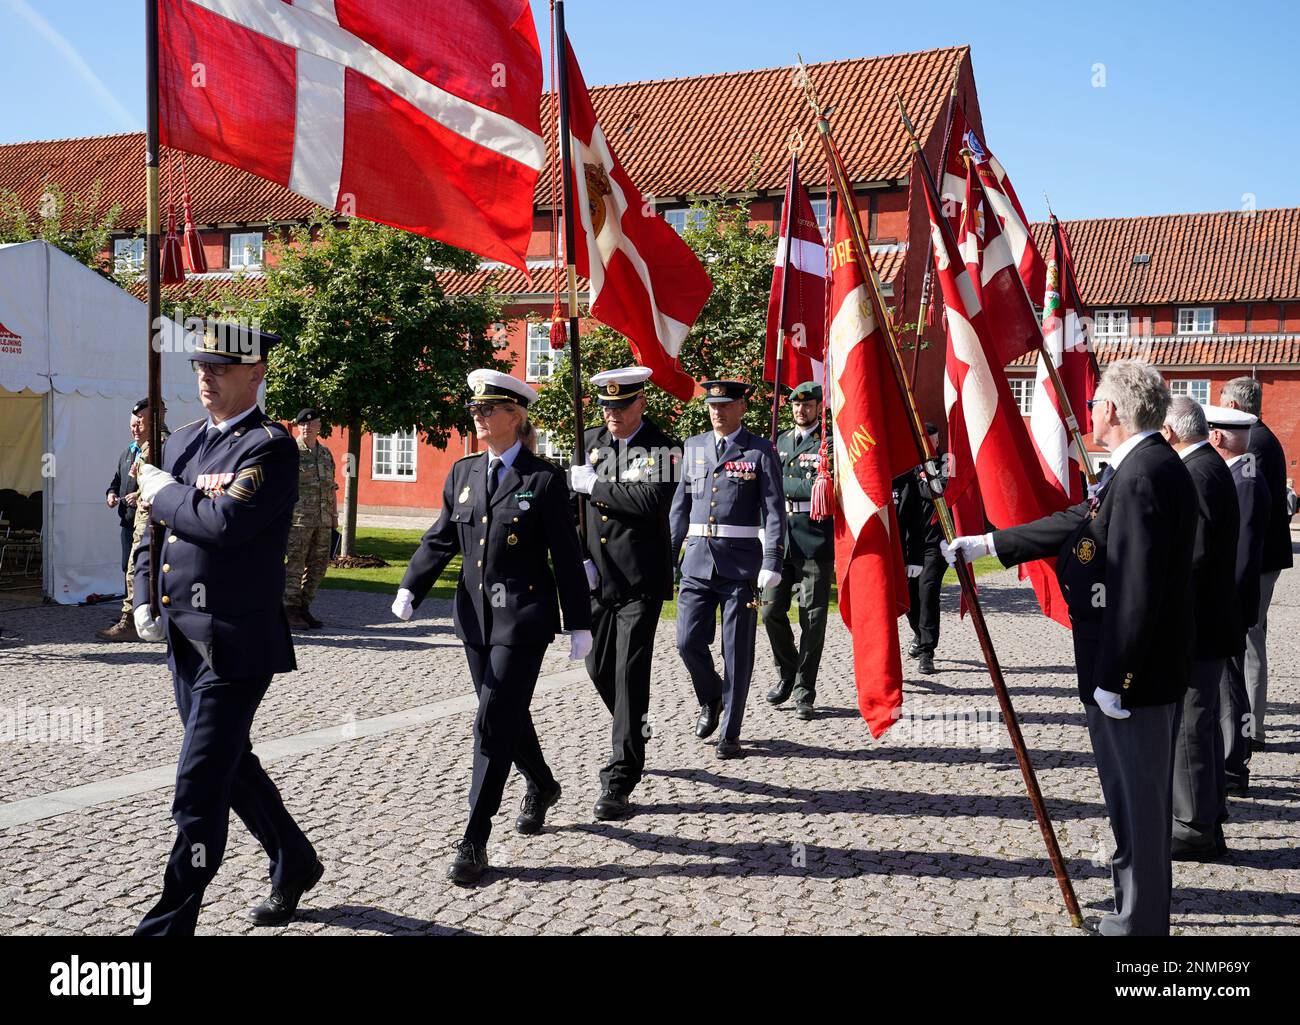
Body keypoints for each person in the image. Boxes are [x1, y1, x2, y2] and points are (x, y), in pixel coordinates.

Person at [943, 361, 1195, 936]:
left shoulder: (1143, 474)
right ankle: (1132, 912)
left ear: (1113, 410)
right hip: (1130, 672)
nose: (1089, 413)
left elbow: (1137, 588)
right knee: (1130, 804)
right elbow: (1081, 522)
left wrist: (1118, 677)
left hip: (1134, 679)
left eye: (1096, 403)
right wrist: (992, 541)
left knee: (1139, 805)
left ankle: (1140, 926)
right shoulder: (1138, 468)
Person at [130, 321, 322, 935]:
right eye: (200, 367)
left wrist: (163, 493)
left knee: (198, 783)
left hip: (236, 642)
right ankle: (294, 859)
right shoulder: (182, 441)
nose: (206, 377)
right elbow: (149, 527)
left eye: (222, 367)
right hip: (184, 635)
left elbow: (224, 524)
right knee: (230, 763)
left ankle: (164, 931)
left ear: (256, 372)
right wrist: (142, 594)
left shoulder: (270, 446)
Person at [392, 369, 591, 885]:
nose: (478, 416)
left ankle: (475, 837)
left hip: (523, 619)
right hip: (475, 618)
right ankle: (543, 783)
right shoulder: (462, 473)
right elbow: (440, 539)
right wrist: (410, 586)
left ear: (515, 416)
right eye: (475, 409)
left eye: (489, 409)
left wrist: (580, 623)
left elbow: (567, 560)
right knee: (501, 709)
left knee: (491, 719)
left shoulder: (543, 481)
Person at [570, 366, 680, 821]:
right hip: (598, 578)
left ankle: (620, 777)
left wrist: (595, 485)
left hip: (640, 581)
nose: (611, 414)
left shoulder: (665, 448)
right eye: (606, 406)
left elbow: (649, 502)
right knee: (598, 667)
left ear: (641, 403)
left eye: (621, 405)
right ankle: (631, 724)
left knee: (629, 672)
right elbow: (572, 510)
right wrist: (581, 560)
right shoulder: (591, 441)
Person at [670, 379, 785, 759]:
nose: (717, 411)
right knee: (686, 642)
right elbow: (680, 508)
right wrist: (670, 556)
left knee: (736, 652)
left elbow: (773, 512)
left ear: (741, 407)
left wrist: (772, 560)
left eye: (724, 404)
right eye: (712, 405)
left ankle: (730, 733)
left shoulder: (760, 450)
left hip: (739, 566)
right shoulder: (693, 447)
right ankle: (712, 697)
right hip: (697, 563)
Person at [1159, 397, 1239, 860]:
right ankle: (1207, 817)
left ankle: (1192, 826)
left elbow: (1196, 553)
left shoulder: (1199, 472)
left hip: (1199, 623)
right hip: (1207, 620)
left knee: (1192, 725)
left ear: (1170, 433)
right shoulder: (1207, 466)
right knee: (1201, 724)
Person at [1220, 377, 1292, 752]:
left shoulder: (1255, 444)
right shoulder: (1261, 437)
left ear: (1232, 407)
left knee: (1249, 640)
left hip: (1258, 559)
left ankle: (1252, 728)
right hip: (1264, 556)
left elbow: (1248, 514)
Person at [1204, 404, 1270, 797]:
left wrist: (1228, 606)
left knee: (1230, 687)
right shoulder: (1239, 474)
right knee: (1228, 684)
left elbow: (1242, 555)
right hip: (1228, 604)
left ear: (1215, 437)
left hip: (1227, 605)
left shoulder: (1243, 480)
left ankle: (1232, 765)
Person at [763, 381, 834, 719]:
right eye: (795, 405)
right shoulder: (780, 442)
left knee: (812, 618)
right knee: (770, 610)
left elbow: (822, 484)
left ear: (819, 406)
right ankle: (788, 671)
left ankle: (805, 690)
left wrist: (781, 483)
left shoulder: (829, 445)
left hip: (814, 539)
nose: (800, 410)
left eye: (807, 405)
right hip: (781, 538)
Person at [98, 398, 167, 642]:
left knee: (139, 569)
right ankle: (134, 615)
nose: (135, 428)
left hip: (148, 521)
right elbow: (117, 479)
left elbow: (163, 480)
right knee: (130, 568)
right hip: (129, 520)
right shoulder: (131, 451)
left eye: (140, 422)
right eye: (133, 423)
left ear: (155, 419)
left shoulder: (160, 446)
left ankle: (133, 619)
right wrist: (112, 493)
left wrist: (138, 495)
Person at [893, 422, 946, 676]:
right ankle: (918, 633)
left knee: (927, 594)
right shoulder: (906, 465)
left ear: (936, 441)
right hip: (909, 543)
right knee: (910, 597)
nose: (926, 443)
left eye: (930, 438)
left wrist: (918, 479)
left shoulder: (947, 461)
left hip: (934, 543)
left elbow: (939, 489)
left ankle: (927, 651)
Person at [283, 408, 338, 631]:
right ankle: (290, 609)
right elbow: (283, 488)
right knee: (295, 566)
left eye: (311, 423)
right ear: (298, 427)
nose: (307, 427)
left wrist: (334, 516)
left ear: (319, 426)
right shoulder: (290, 452)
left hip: (323, 520)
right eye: (302, 424)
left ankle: (304, 606)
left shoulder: (325, 454)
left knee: (319, 566)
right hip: (298, 520)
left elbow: (331, 486)